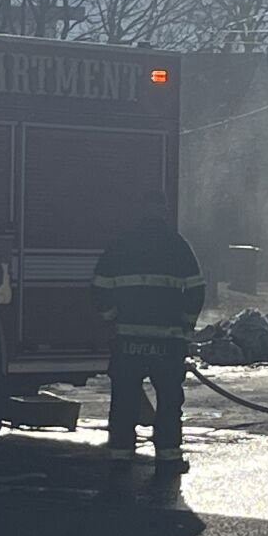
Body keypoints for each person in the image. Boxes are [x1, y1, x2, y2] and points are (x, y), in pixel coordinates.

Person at [91, 187, 207, 472]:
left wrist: (111, 320)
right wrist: (186, 327)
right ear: (163, 210)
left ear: (139, 210)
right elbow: (196, 290)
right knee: (169, 399)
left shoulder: (121, 245)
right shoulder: (177, 245)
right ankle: (168, 457)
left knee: (124, 397)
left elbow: (99, 287)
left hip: (127, 338)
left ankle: (120, 454)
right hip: (167, 340)